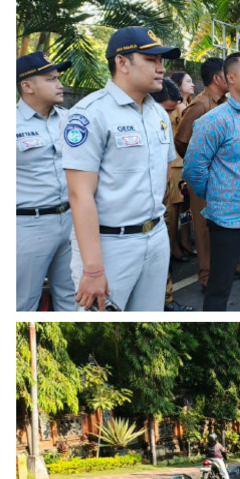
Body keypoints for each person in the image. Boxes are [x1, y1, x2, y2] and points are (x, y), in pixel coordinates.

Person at [63, 26, 180, 311]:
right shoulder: (90, 114)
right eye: (151, 60)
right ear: (122, 62)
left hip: (154, 236)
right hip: (109, 244)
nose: (161, 68)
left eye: (161, 61)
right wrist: (92, 268)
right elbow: (80, 195)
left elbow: (163, 171)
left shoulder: (156, 113)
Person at [182, 51, 240, 311]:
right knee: (219, 288)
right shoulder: (214, 120)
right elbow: (193, 169)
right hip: (227, 220)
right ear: (230, 78)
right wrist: (217, 195)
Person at [16, 51, 76, 311]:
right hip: (29, 225)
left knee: (73, 299)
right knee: (22, 302)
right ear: (27, 86)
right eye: (51, 80)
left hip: (71, 220)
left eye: (58, 78)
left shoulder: (69, 119)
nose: (60, 85)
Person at [173, 57, 228, 295]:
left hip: (224, 178)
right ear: (217, 78)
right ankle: (206, 277)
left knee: (221, 225)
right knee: (204, 228)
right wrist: (199, 166)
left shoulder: (227, 102)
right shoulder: (200, 105)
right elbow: (181, 141)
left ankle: (224, 269)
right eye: (228, 74)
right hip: (204, 178)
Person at [152, 77, 194, 312]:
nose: (166, 115)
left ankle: (166, 298)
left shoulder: (161, 122)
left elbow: (169, 156)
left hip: (163, 189)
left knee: (163, 242)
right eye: (165, 109)